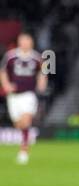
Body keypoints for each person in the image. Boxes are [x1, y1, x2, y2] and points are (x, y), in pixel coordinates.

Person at [1, 33, 48, 164]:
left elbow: (42, 73)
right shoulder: (11, 56)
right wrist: (6, 85)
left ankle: (24, 150)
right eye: (23, 41)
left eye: (28, 41)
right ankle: (24, 140)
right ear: (19, 42)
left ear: (31, 43)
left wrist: (42, 84)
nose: (26, 43)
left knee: (26, 121)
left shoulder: (37, 58)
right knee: (18, 124)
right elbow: (3, 72)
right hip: (13, 96)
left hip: (28, 94)